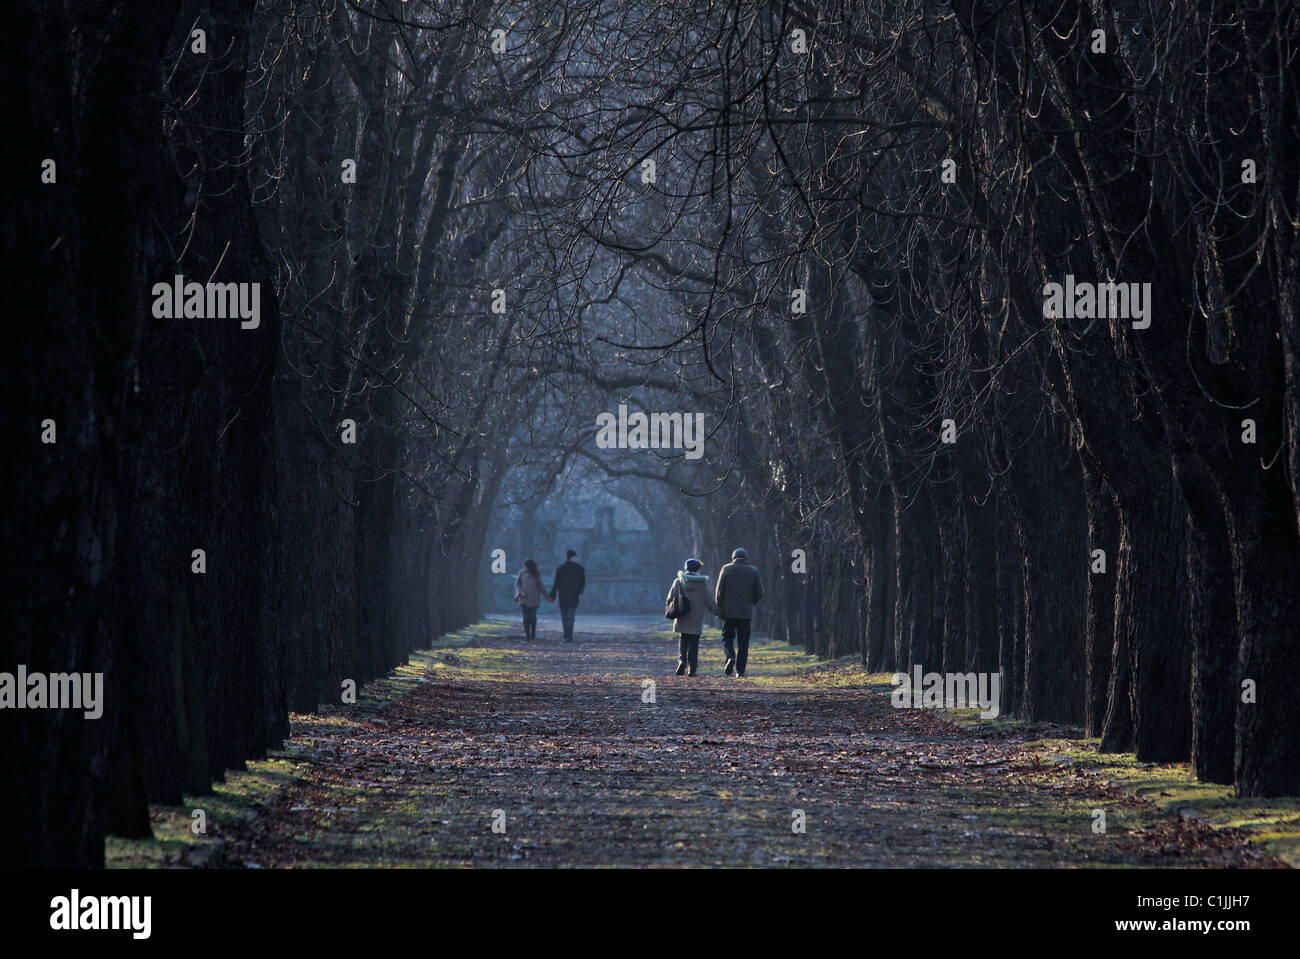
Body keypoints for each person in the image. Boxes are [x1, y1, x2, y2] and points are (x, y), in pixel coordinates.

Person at [666, 558, 721, 676]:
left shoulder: (678, 582)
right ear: (698, 569)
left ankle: (681, 661)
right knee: (694, 644)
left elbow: (669, 599)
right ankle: (692, 670)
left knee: (683, 639)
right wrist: (719, 613)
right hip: (696, 618)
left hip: (682, 616)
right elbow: (710, 603)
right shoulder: (703, 584)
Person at [714, 547, 764, 677]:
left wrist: (720, 608)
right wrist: (751, 603)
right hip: (745, 613)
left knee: (727, 637)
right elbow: (760, 592)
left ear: (733, 557)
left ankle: (730, 656)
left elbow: (719, 592)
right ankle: (740, 671)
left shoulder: (726, 569)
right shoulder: (754, 571)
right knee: (743, 642)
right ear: (746, 558)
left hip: (728, 612)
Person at [548, 549, 586, 642]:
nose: (575, 558)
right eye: (574, 557)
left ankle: (568, 634)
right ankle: (567, 634)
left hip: (569, 595)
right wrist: (552, 595)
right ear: (570, 557)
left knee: (569, 617)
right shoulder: (564, 569)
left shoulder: (577, 569)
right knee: (566, 617)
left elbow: (582, 583)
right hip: (566, 596)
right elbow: (556, 583)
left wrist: (579, 591)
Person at [515, 558, 548, 641]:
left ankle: (533, 634)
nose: (524, 568)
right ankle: (527, 635)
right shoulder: (521, 573)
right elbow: (517, 584)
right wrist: (520, 592)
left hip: (534, 599)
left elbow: (541, 586)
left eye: (525, 566)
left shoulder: (536, 574)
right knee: (526, 617)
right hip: (524, 598)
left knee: (532, 617)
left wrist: (547, 596)